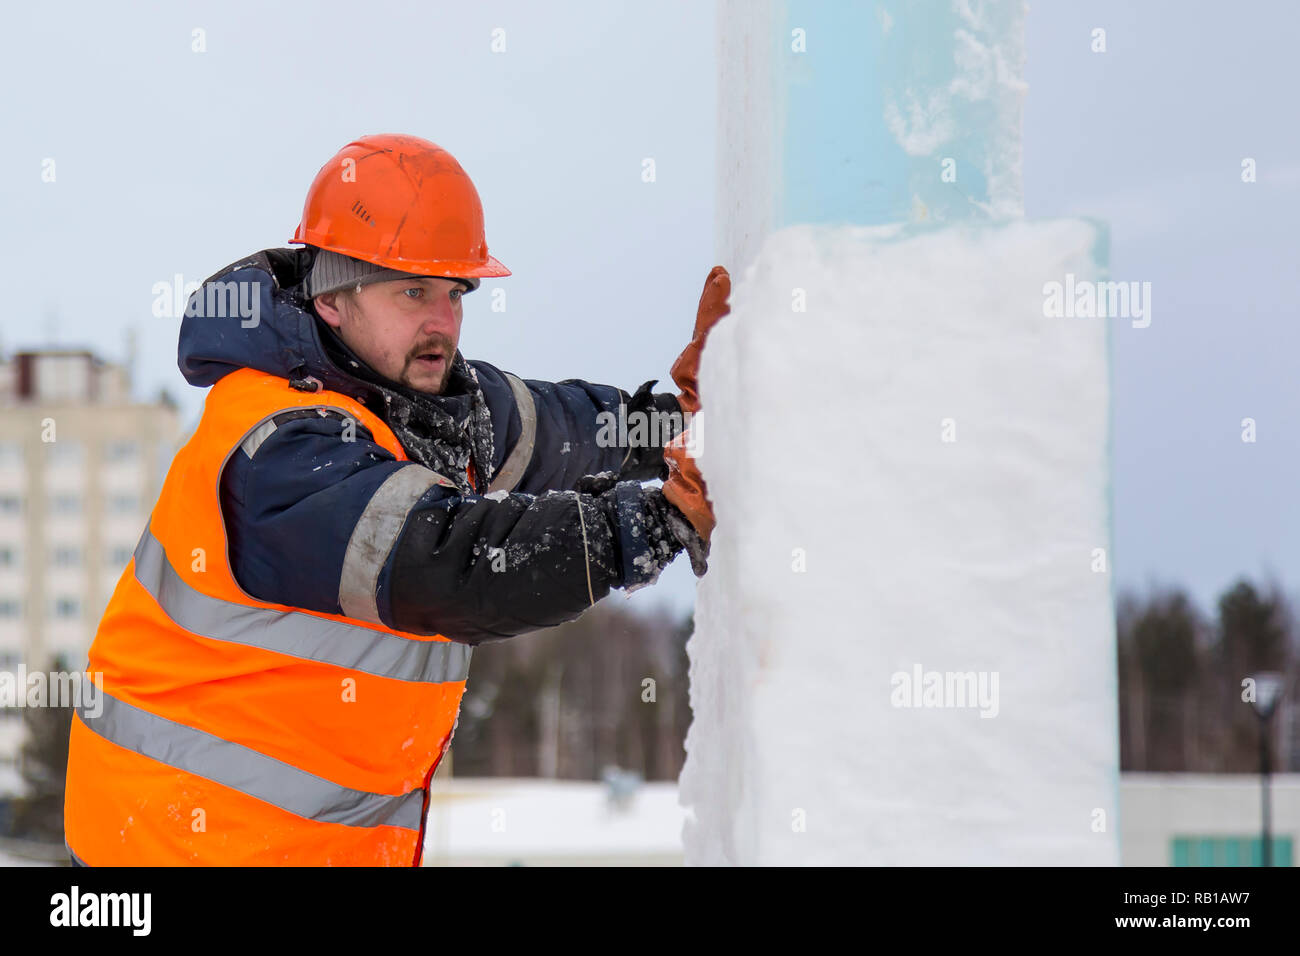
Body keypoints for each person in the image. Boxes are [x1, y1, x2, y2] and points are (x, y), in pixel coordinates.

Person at [63, 133, 725, 866]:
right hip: (174, 846)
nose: (442, 320)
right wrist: (655, 524)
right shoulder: (276, 447)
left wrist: (681, 423)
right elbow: (448, 566)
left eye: (455, 292)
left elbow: (558, 428)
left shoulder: (426, 401)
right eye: (414, 291)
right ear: (335, 300)